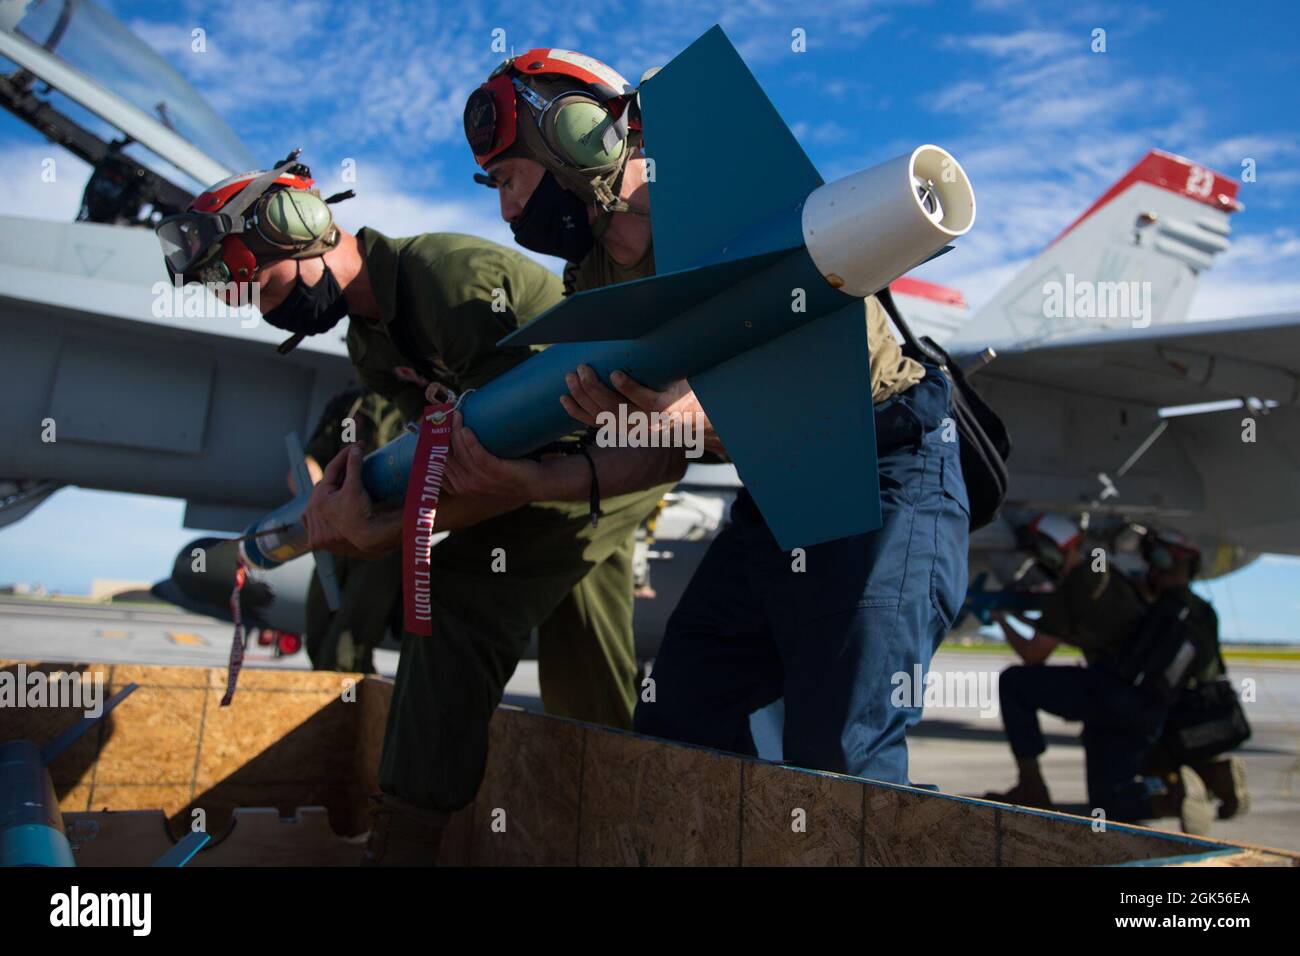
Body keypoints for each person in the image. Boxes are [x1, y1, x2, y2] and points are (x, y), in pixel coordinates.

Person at [456, 48, 970, 784]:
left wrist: (700, 418)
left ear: (573, 136)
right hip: (776, 488)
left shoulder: (724, 193)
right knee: (683, 721)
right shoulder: (596, 278)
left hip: (887, 463)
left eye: (508, 179)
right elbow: (660, 455)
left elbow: (809, 398)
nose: (506, 211)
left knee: (842, 753)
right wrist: (531, 476)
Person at [155, 156, 673, 863]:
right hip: (550, 468)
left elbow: (506, 458)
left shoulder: (446, 278)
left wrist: (387, 532)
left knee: (464, 595)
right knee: (587, 660)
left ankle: (404, 842)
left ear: (297, 227)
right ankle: (617, 838)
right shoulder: (371, 345)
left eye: (257, 284)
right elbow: (444, 464)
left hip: (601, 454)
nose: (259, 307)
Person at [986, 515, 1214, 832]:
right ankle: (1172, 794)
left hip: (1111, 692)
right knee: (1109, 805)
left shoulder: (1071, 588)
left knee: (1014, 683)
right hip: (1147, 703)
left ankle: (1032, 786)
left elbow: (1033, 654)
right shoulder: (1107, 574)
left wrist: (1001, 618)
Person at [1137, 529, 1249, 820]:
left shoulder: (1167, 609)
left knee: (1145, 748)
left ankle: (1178, 794)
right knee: (1196, 750)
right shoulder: (1203, 609)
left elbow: (1152, 670)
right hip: (1214, 702)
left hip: (1181, 706)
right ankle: (1220, 777)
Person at [295, 386, 404, 673]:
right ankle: (350, 707)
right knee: (319, 638)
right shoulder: (349, 404)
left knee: (346, 647)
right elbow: (313, 458)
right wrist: (314, 492)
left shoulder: (420, 402)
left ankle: (348, 708)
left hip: (384, 539)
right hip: (336, 536)